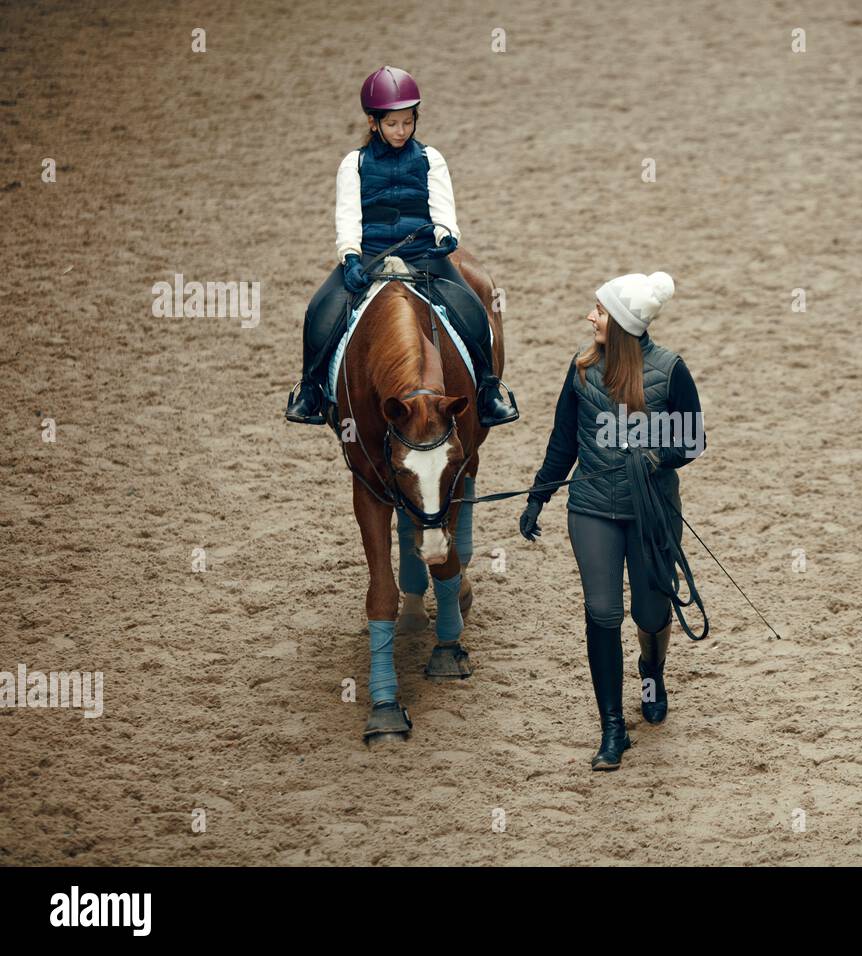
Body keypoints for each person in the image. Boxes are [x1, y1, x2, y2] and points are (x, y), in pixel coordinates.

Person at [520, 272, 707, 770]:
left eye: (598, 311)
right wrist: (539, 495)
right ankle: (612, 729)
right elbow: (563, 439)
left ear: (621, 322)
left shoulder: (671, 371)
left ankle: (651, 671)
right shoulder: (581, 370)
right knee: (602, 614)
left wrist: (656, 457)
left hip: (651, 511)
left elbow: (692, 441)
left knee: (650, 614)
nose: (590, 317)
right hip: (591, 507)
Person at [285, 65, 518, 428]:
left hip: (422, 254)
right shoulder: (354, 164)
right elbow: (348, 216)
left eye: (408, 122)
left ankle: (488, 392)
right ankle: (311, 390)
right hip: (370, 257)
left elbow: (443, 209)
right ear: (373, 122)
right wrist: (349, 257)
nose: (401, 131)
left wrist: (445, 237)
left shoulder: (430, 158)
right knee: (319, 310)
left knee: (471, 309)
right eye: (393, 124)